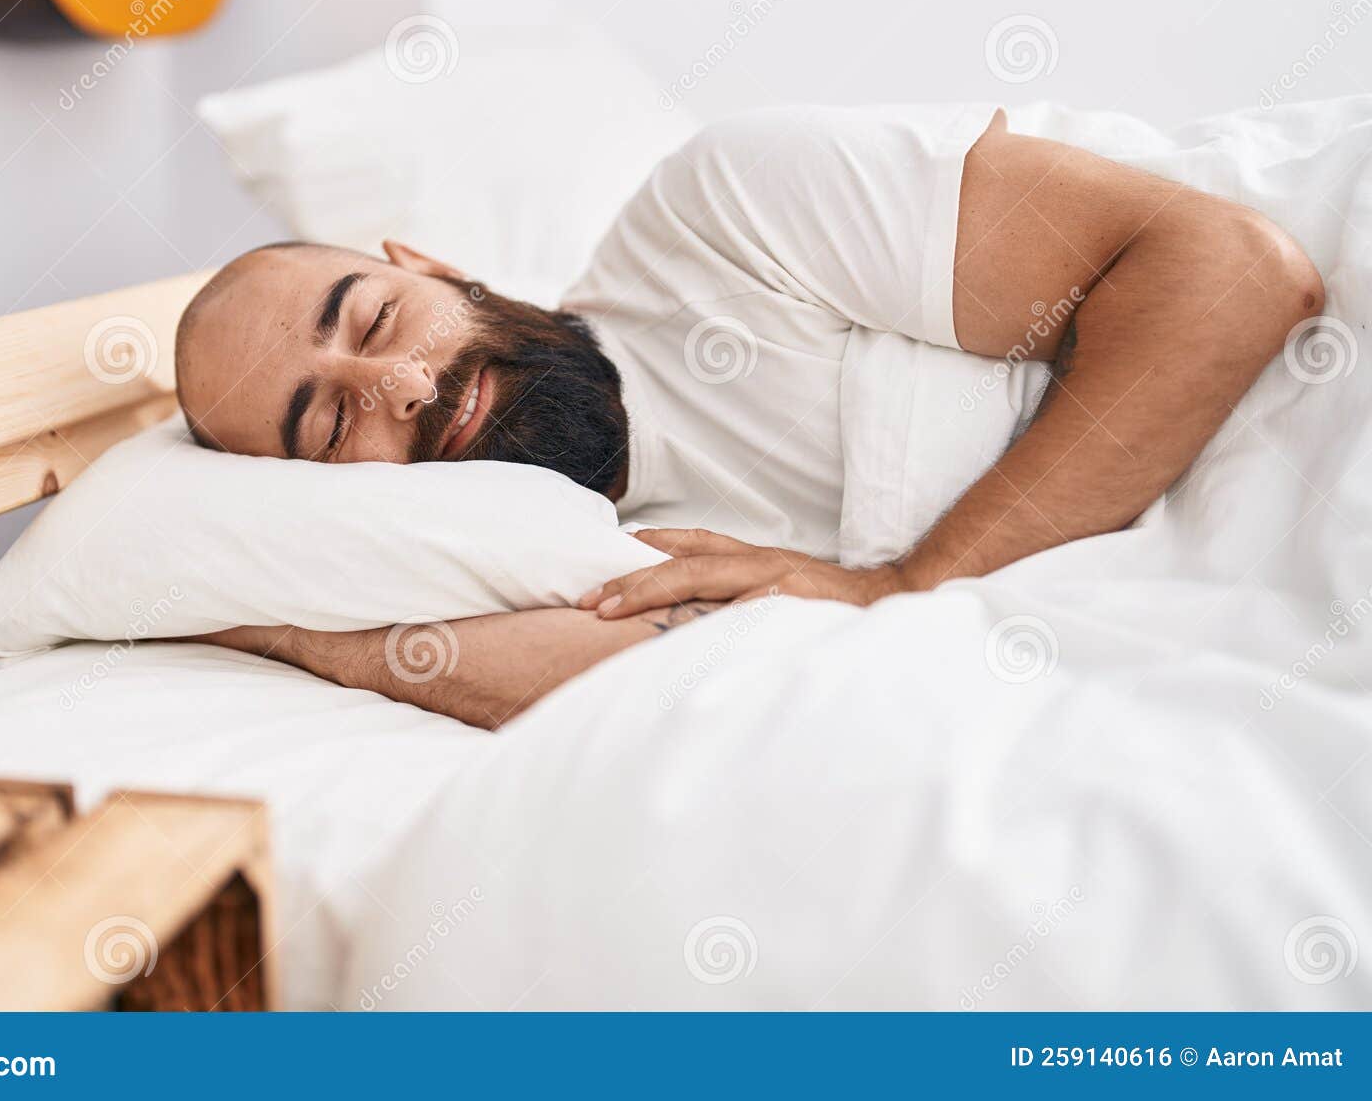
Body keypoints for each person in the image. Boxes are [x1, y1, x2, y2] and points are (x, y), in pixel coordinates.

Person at [175, 106, 1323, 727]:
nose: (406, 388)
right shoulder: (540, 565)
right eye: (329, 427)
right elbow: (610, 692)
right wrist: (273, 622)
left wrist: (905, 588)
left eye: (377, 320)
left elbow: (1232, 273)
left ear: (432, 266)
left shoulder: (716, 214)